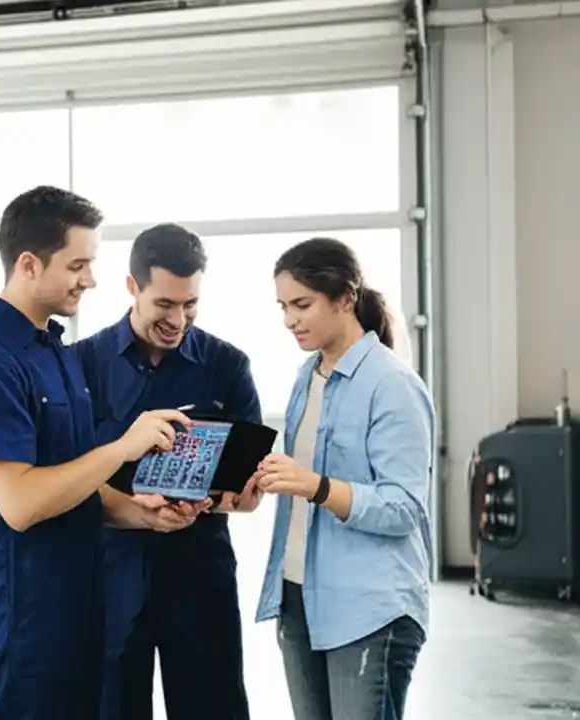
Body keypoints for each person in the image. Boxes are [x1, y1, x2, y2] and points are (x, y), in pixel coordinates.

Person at [0, 188, 208, 720]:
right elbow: (21, 503)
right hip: (21, 626)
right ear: (29, 264)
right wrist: (123, 447)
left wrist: (143, 513)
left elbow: (73, 481)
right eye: (77, 265)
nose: (90, 279)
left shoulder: (54, 353)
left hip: (79, 615)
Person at [73, 223, 264, 720]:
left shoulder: (228, 367)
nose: (178, 319)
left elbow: (247, 491)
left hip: (200, 577)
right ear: (132, 286)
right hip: (109, 577)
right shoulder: (81, 365)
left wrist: (218, 499)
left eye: (190, 304)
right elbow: (67, 475)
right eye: (164, 304)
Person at [253, 237, 434, 720]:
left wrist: (317, 486)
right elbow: (301, 477)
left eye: (302, 304)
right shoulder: (306, 375)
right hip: (298, 596)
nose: (289, 320)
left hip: (369, 609)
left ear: (346, 298)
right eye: (283, 307)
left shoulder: (392, 385)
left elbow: (403, 507)